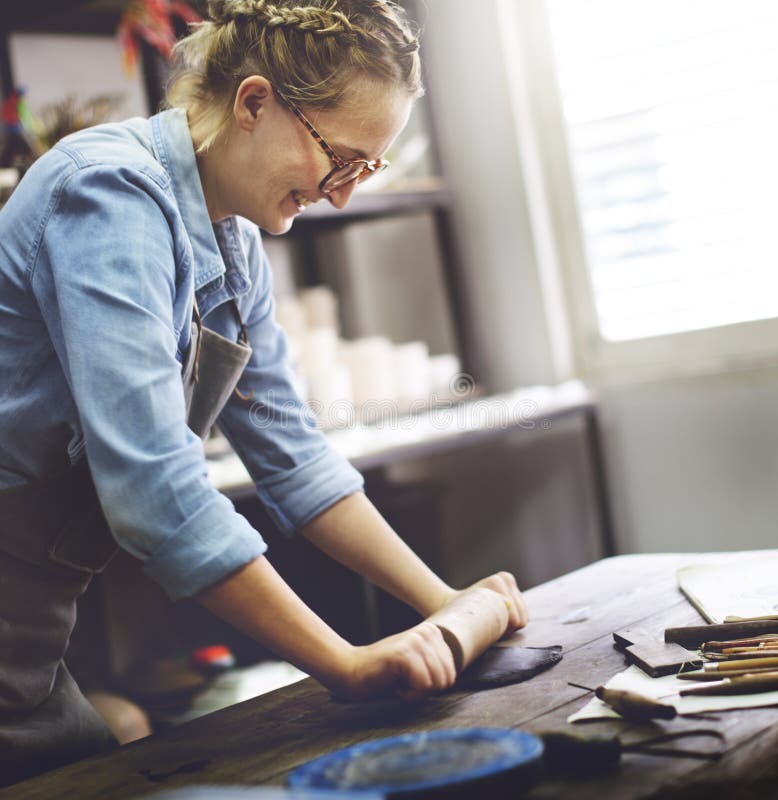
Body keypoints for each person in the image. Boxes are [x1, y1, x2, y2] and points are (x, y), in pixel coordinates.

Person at [0, 0, 529, 785]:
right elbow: (153, 488)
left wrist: (446, 602)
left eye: (365, 170)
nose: (343, 194)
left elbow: (296, 459)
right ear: (254, 103)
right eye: (339, 159)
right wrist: (342, 665)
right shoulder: (107, 195)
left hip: (29, 653)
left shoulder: (232, 242)